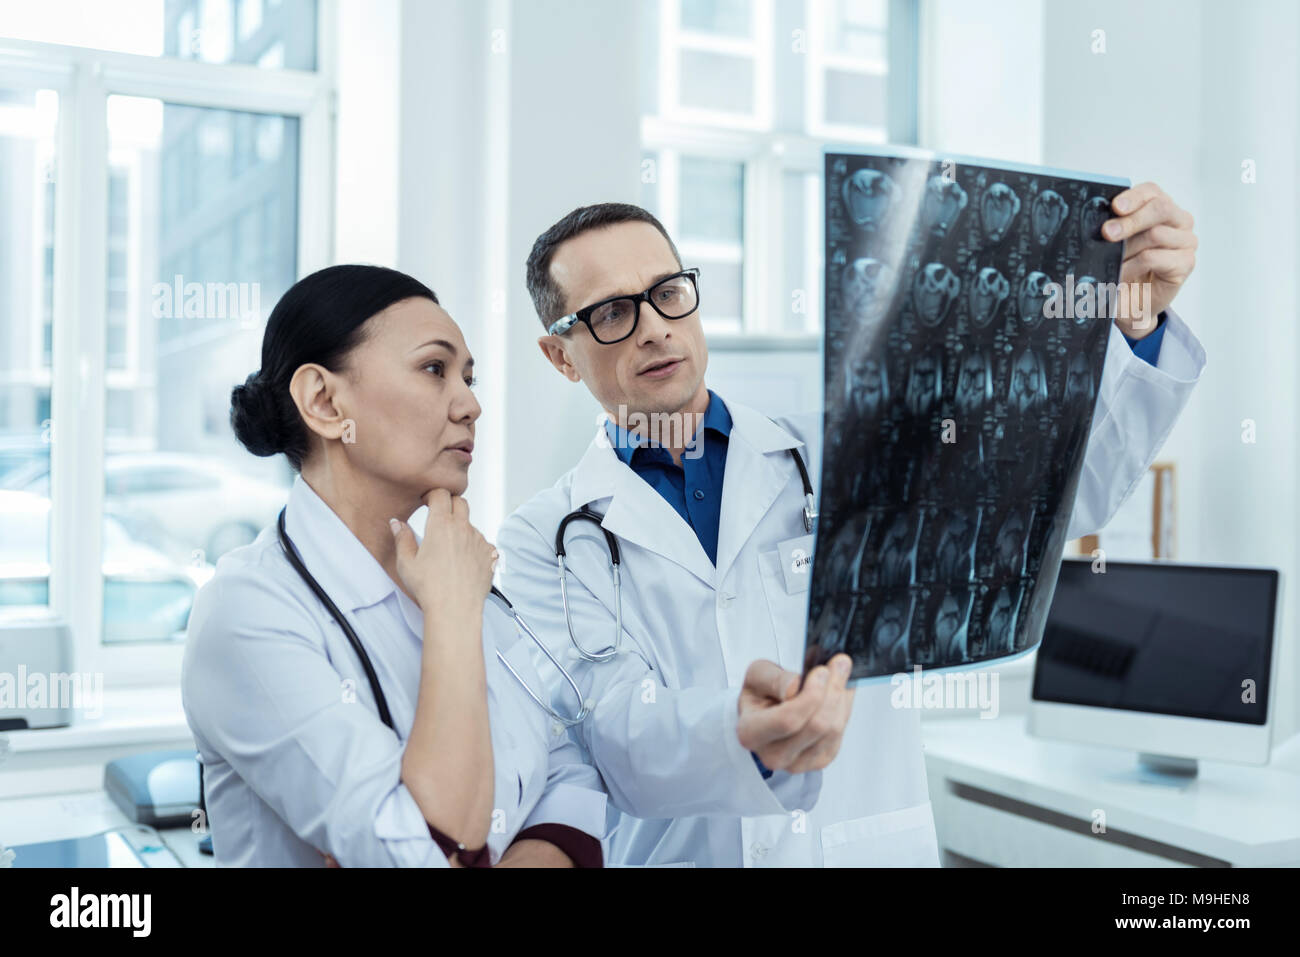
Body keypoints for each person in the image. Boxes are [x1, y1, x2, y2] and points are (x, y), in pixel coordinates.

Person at [497, 187, 1204, 867]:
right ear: (560, 355)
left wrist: (1135, 329)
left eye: (668, 293)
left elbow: (1045, 507)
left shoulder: (842, 455)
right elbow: (614, 738)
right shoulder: (543, 540)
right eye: (612, 312)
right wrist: (739, 734)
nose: (654, 326)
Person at [182, 265, 605, 867]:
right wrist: (453, 616)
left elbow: (567, 777)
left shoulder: (453, 575)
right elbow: (429, 844)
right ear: (325, 402)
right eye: (435, 369)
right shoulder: (248, 610)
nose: (472, 405)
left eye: (469, 377)